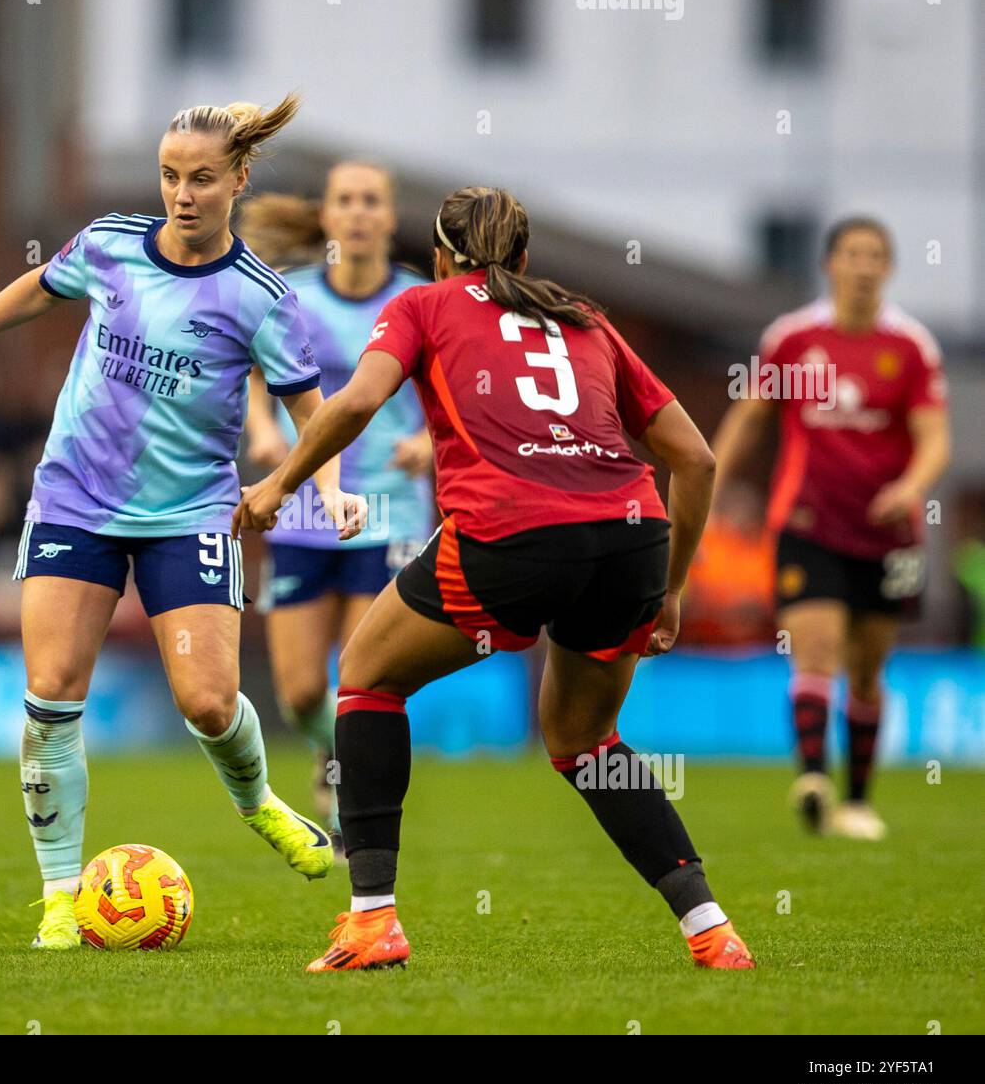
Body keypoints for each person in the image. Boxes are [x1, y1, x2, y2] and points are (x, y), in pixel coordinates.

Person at [235, 186, 754, 972]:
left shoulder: (424, 303)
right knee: (587, 743)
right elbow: (697, 459)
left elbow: (357, 402)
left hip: (513, 532)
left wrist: (278, 485)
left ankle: (372, 920)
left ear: (441, 256)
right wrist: (671, 588)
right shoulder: (585, 315)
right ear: (521, 256)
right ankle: (712, 931)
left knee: (369, 677)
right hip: (632, 537)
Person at [0, 95, 366, 950]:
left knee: (210, 701)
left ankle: (257, 802)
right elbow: (36, 290)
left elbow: (315, 408)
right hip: (75, 498)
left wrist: (327, 491)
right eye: (169, 176)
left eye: (200, 179)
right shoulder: (112, 244)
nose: (182, 194)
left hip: (188, 514)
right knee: (50, 699)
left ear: (238, 181)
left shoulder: (259, 298)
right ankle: (57, 896)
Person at [713, 217, 949, 840]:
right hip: (806, 523)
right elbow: (751, 418)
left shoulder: (912, 347)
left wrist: (910, 487)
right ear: (831, 263)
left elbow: (935, 438)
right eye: (853, 253)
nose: (864, 265)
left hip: (887, 536)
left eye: (876, 255)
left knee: (869, 668)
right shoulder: (793, 340)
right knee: (814, 649)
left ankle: (860, 801)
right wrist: (707, 481)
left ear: (889, 268)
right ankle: (814, 778)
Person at [239, 164, 434, 851]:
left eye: (370, 202)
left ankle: (358, 806)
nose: (356, 213)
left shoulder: (420, 298)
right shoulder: (292, 297)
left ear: (388, 217)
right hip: (303, 509)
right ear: (325, 218)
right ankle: (333, 752)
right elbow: (261, 374)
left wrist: (430, 439)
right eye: (344, 201)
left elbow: (462, 389)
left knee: (361, 673)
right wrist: (263, 431)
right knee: (296, 692)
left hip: (389, 515)